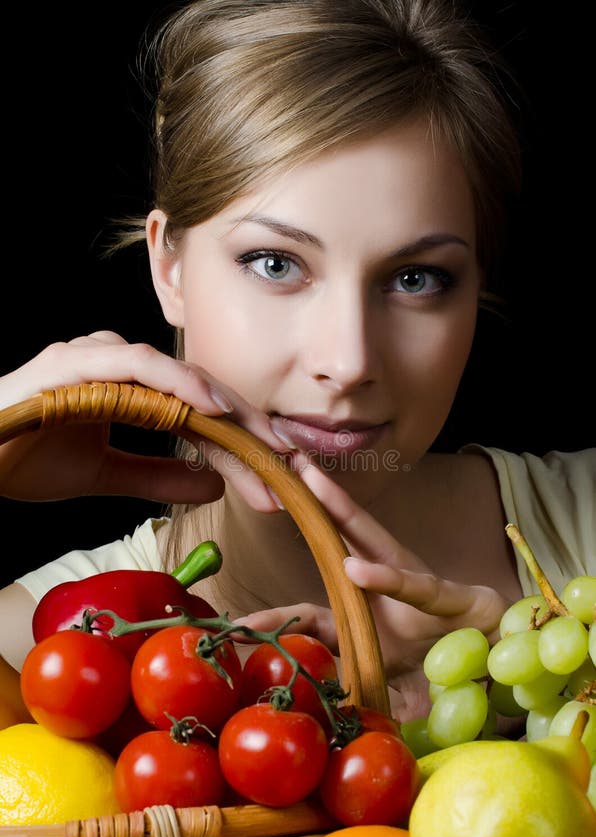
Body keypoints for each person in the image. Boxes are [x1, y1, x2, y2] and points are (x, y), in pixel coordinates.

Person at [0, 0, 593, 723]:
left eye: (416, 279)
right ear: (169, 267)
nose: (347, 363)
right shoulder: (51, 646)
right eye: (276, 263)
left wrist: (526, 692)